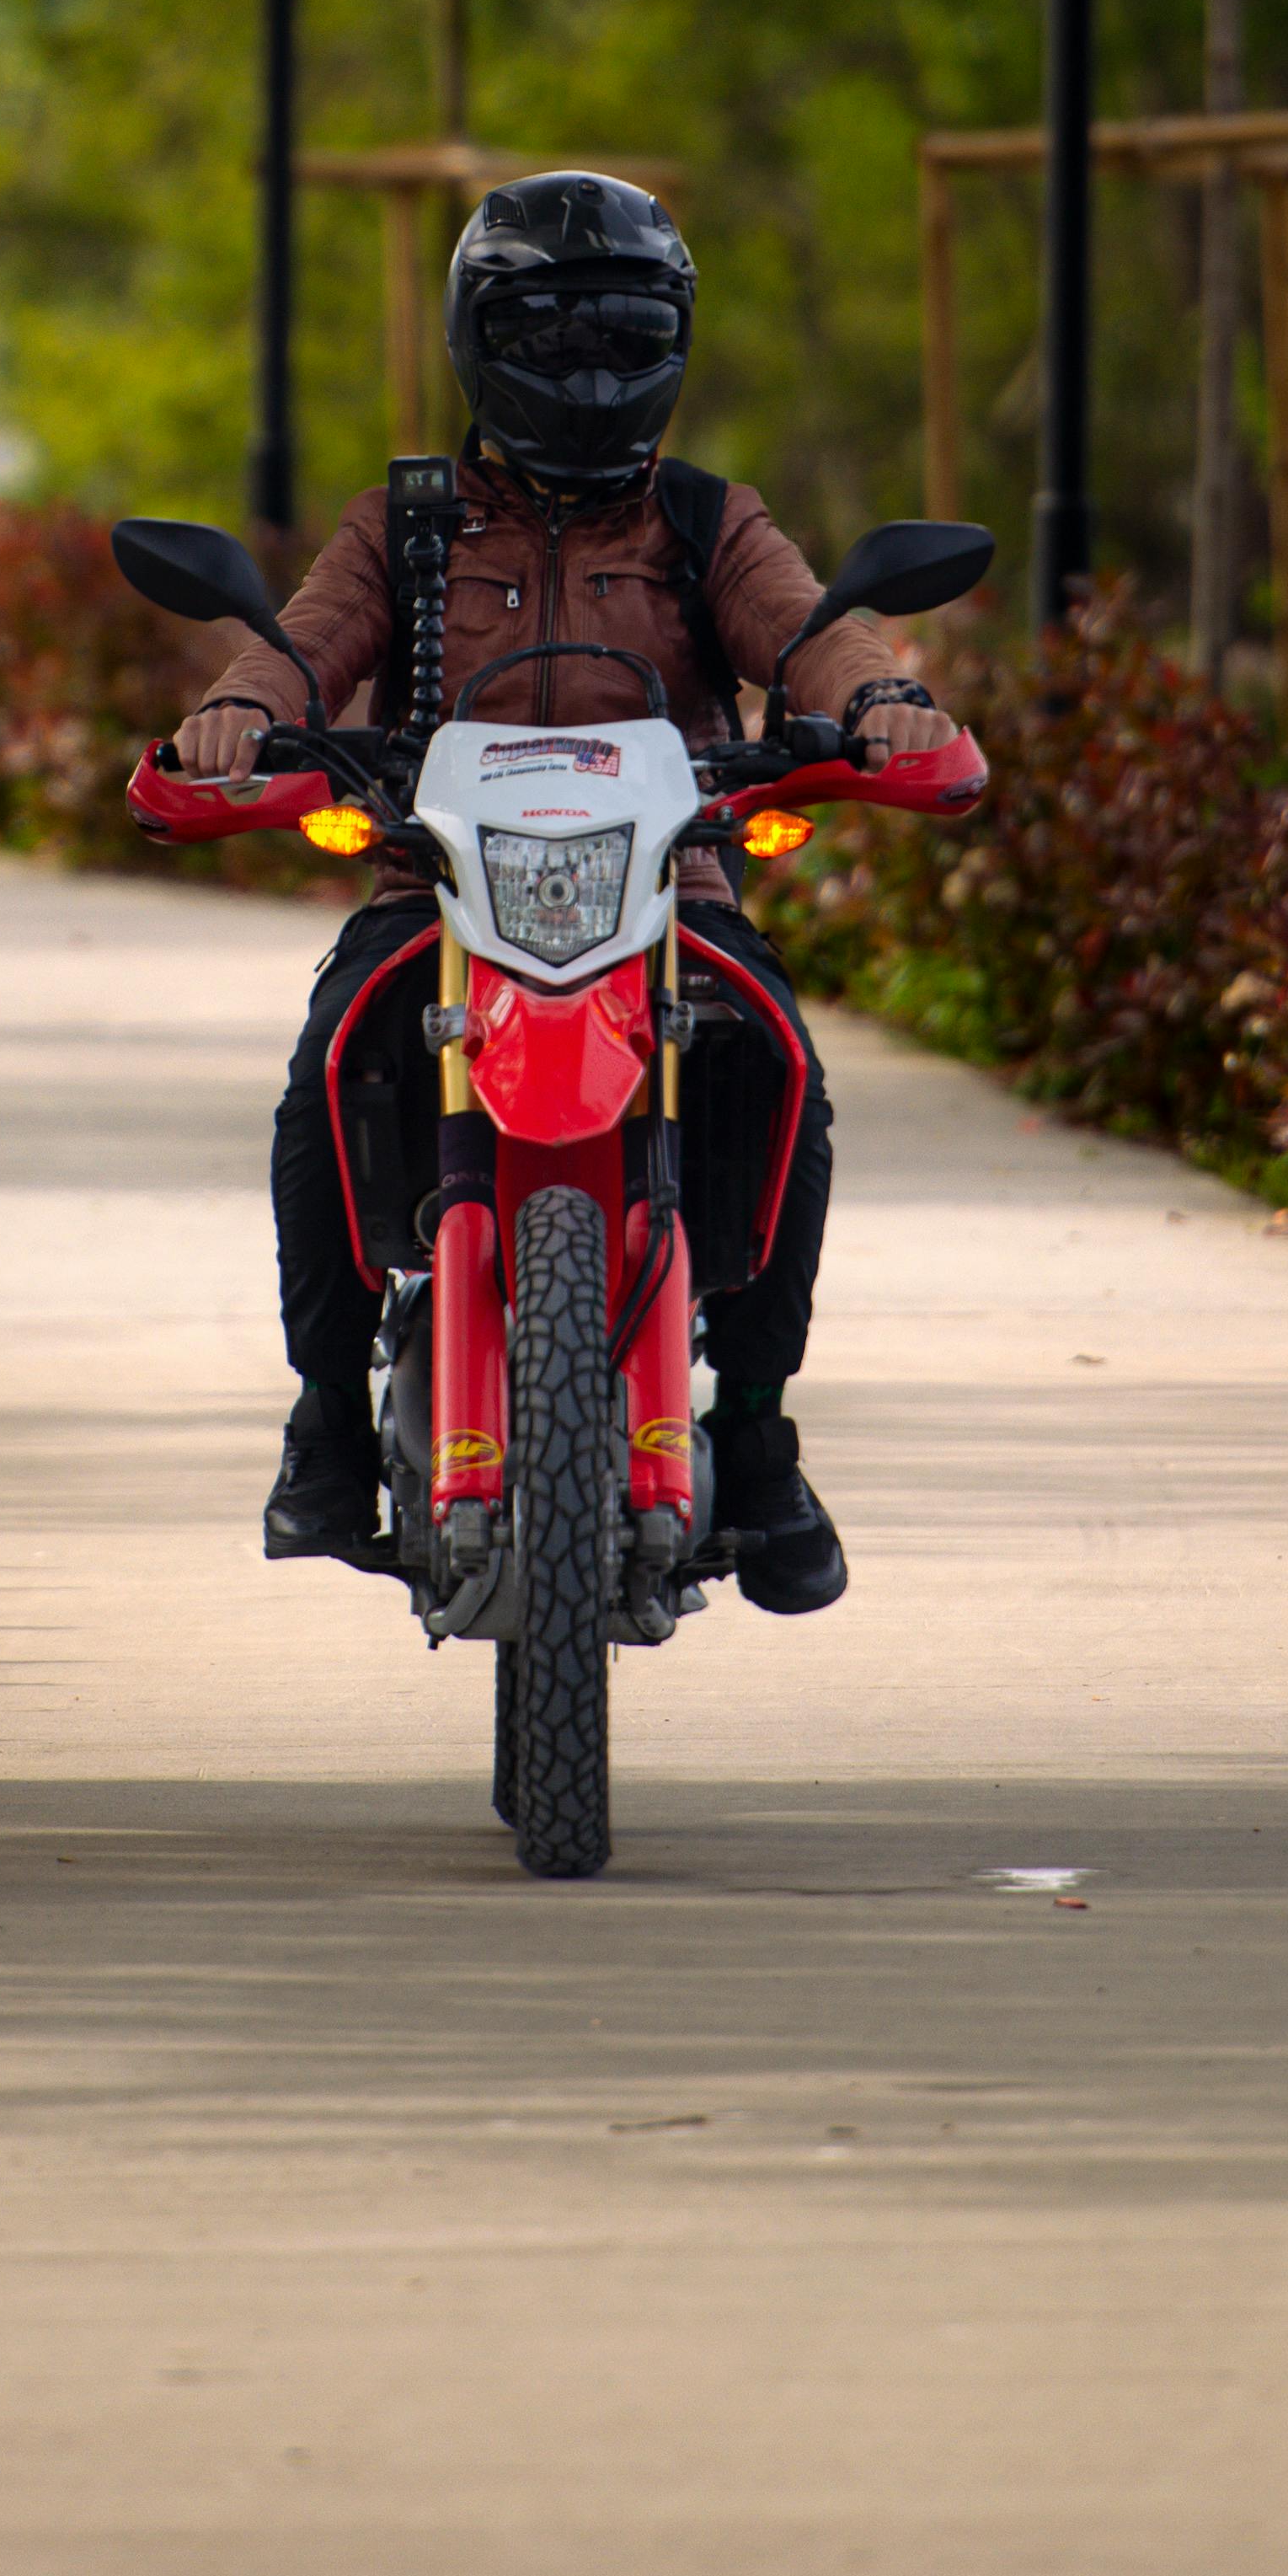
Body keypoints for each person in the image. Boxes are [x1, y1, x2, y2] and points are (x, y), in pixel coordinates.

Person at [169, 169, 959, 1617]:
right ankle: (326, 1418)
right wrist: (237, 714)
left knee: (787, 1078)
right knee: (322, 1077)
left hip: (670, 888)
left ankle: (757, 1428)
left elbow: (810, 635)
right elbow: (302, 645)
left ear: (674, 340)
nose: (586, 363)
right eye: (547, 330)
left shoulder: (707, 520)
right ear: (478, 339)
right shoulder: (405, 523)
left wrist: (881, 703)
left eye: (619, 329)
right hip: (438, 889)